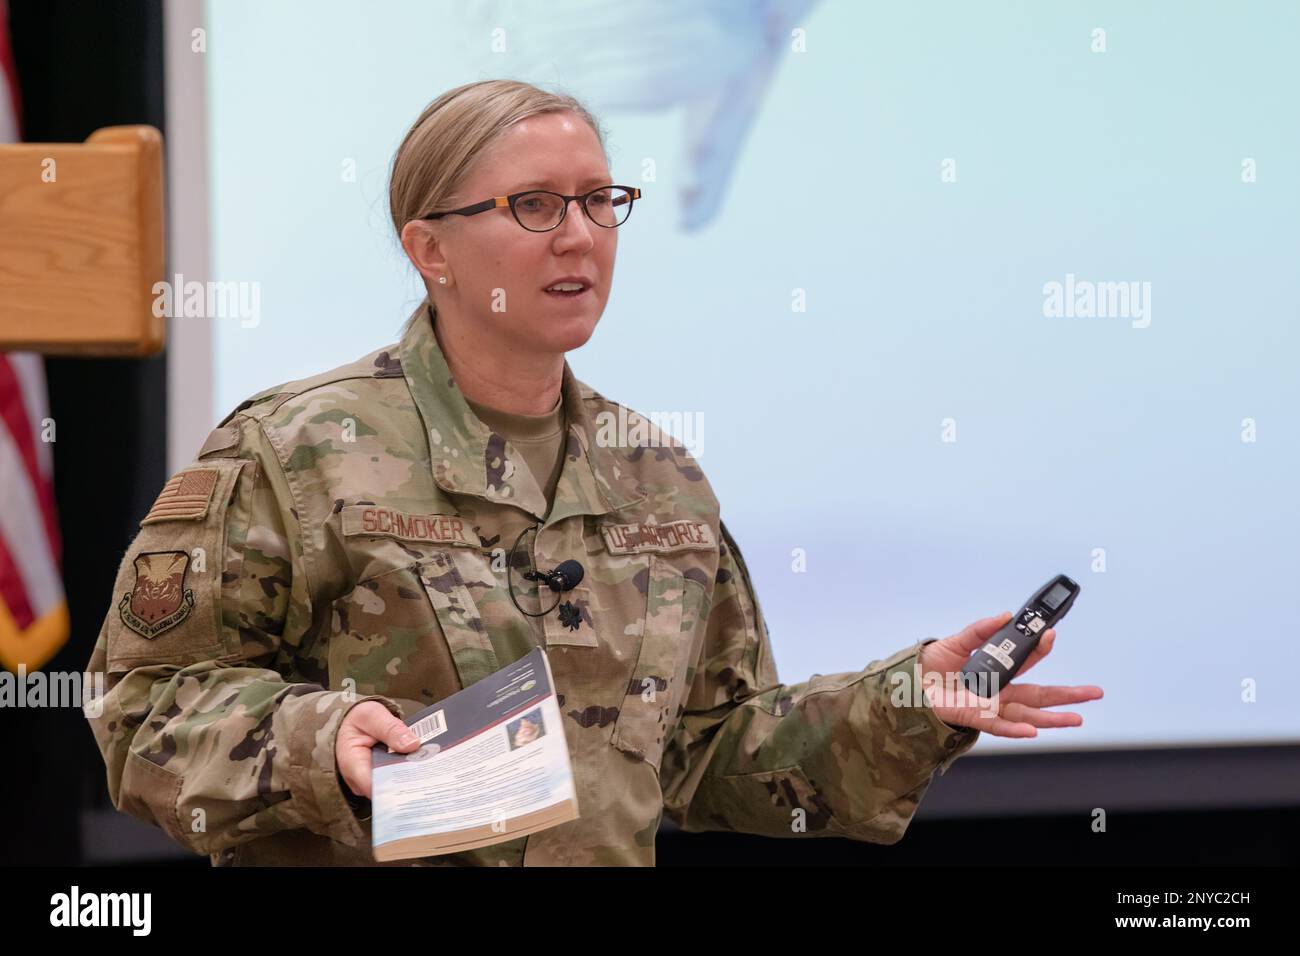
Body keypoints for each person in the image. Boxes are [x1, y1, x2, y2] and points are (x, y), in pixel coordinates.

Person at [83, 78, 1103, 866]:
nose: (578, 234)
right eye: (532, 204)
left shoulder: (654, 472)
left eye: (599, 200)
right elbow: (140, 710)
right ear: (428, 248)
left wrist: (906, 699)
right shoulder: (293, 447)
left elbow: (709, 754)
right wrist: (322, 737)